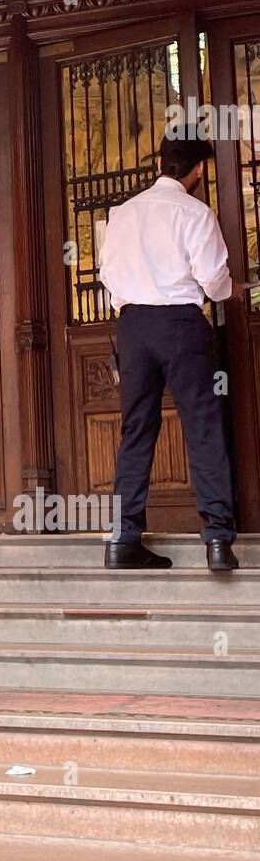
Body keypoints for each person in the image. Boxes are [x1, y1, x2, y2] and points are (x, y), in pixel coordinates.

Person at [98, 134, 245, 572]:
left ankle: (123, 539)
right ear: (200, 169)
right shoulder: (196, 212)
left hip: (134, 328)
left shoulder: (122, 213)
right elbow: (214, 281)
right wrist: (232, 291)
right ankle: (218, 539)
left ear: (160, 162)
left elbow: (108, 276)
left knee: (136, 431)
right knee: (202, 425)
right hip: (181, 324)